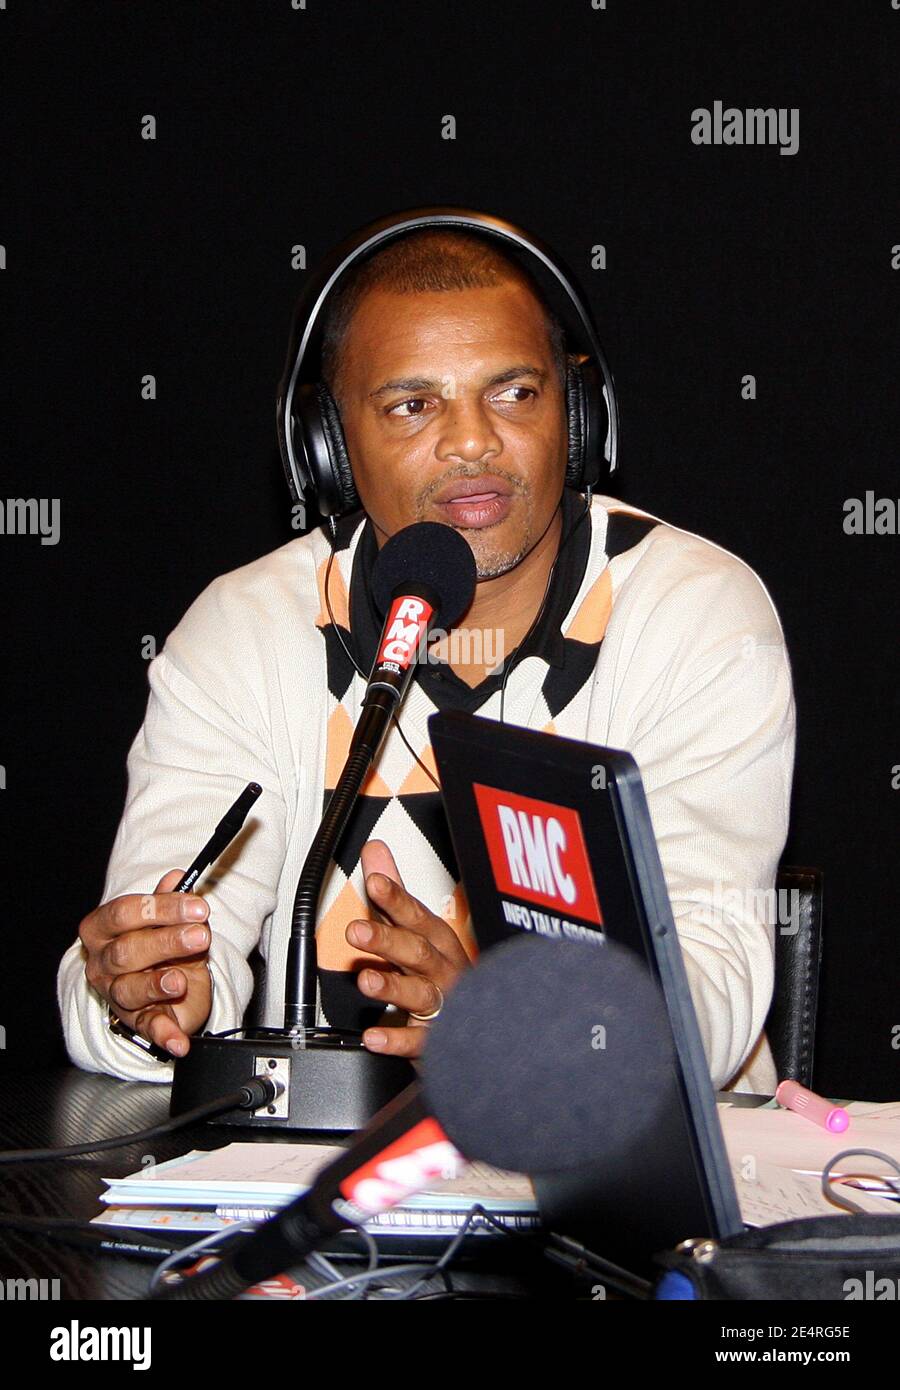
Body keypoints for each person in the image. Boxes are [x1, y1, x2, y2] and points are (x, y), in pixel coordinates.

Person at [58, 219, 795, 1094]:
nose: (472, 442)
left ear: (578, 414)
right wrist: (150, 1000)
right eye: (413, 406)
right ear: (329, 449)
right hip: (327, 1191)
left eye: (515, 393)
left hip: (623, 1174)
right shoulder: (245, 629)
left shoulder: (693, 614)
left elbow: (711, 991)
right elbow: (145, 956)